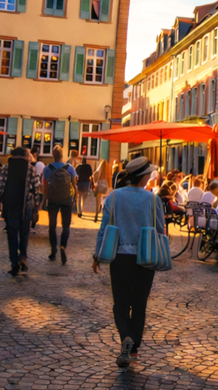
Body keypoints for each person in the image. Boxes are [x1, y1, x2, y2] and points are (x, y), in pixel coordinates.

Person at [92, 158, 167, 368]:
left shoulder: (114, 196)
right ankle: (133, 348)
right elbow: (160, 228)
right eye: (149, 174)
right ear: (143, 176)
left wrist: (98, 254)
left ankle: (126, 336)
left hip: (120, 256)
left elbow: (104, 227)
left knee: (121, 302)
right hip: (146, 255)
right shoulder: (153, 199)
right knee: (140, 302)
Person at [1, 147, 41, 277]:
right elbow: (36, 188)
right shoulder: (31, 169)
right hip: (27, 205)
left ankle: (14, 264)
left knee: (12, 235)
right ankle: (22, 256)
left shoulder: (6, 168)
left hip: (11, 206)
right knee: (24, 233)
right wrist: (35, 207)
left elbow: (1, 188)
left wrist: (3, 204)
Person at [42, 145, 78, 265]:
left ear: (53, 155)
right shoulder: (69, 168)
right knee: (66, 226)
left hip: (53, 200)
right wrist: (74, 199)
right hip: (66, 200)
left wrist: (45, 199)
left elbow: (44, 187)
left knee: (52, 226)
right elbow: (74, 185)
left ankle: (53, 250)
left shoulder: (48, 168)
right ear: (62, 155)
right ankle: (63, 246)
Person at [75, 153, 93, 219]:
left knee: (79, 197)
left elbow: (75, 175)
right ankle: (82, 209)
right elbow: (91, 175)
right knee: (84, 198)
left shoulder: (78, 166)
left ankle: (79, 211)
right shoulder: (88, 166)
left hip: (80, 183)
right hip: (86, 183)